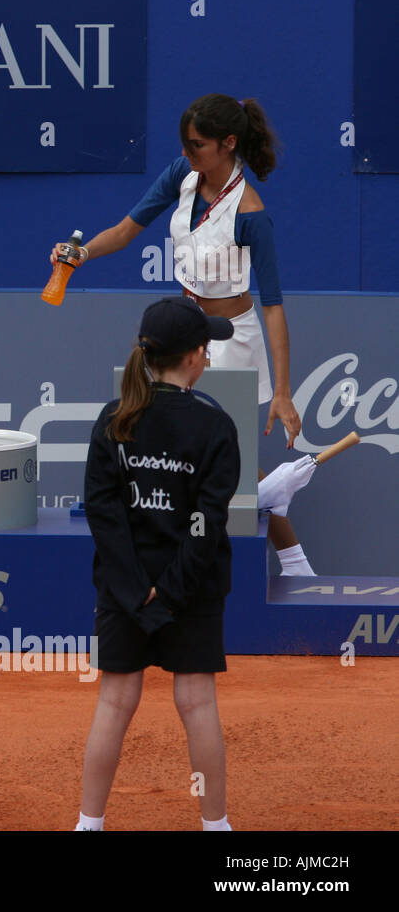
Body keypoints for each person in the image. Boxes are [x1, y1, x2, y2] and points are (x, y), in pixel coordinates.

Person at [52, 93, 313, 576]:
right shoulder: (181, 175)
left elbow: (273, 306)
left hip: (232, 341)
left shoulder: (251, 212)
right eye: (186, 145)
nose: (189, 153)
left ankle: (293, 562)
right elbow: (127, 230)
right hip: (184, 332)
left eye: (198, 146)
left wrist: (282, 391)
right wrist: (82, 253)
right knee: (186, 447)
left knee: (215, 453)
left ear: (227, 143)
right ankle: (269, 518)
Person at [76, 296, 239, 832]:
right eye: (206, 343)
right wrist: (168, 592)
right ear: (193, 356)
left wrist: (135, 588)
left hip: (126, 591)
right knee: (196, 700)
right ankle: (216, 827)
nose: (209, 350)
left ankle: (89, 825)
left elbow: (106, 516)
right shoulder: (215, 425)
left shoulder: (113, 418)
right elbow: (204, 523)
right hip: (190, 590)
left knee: (115, 699)